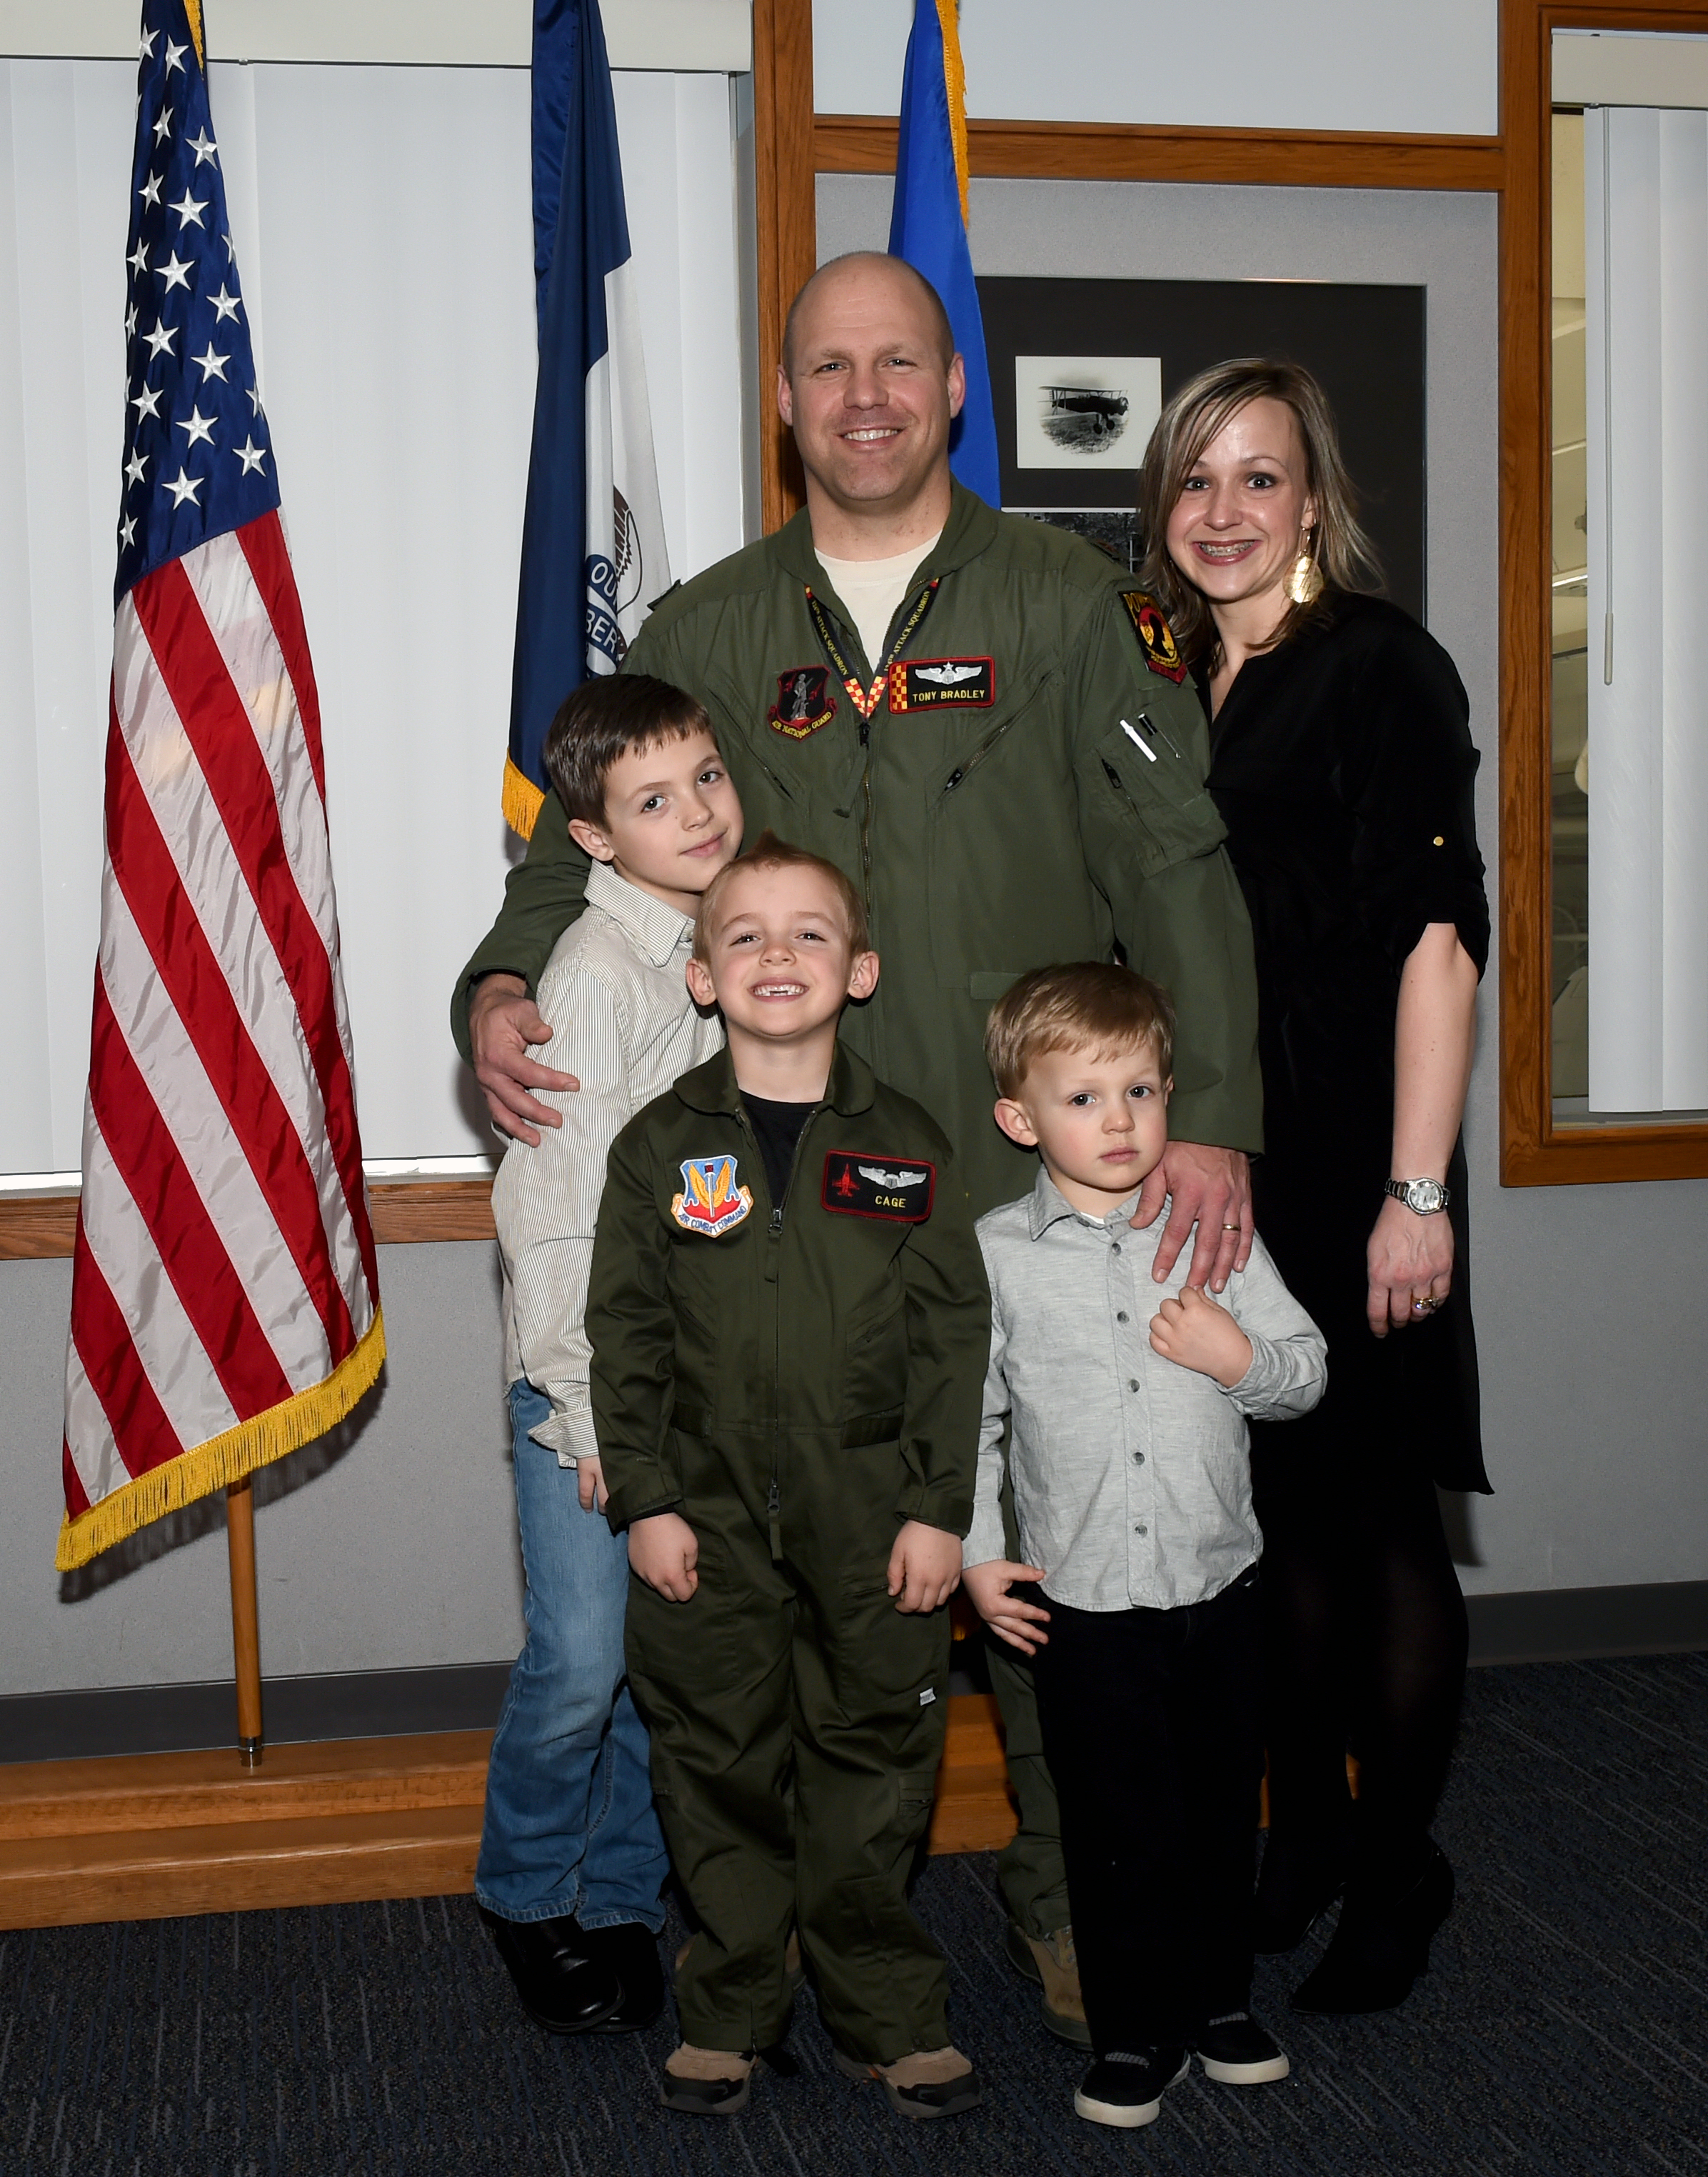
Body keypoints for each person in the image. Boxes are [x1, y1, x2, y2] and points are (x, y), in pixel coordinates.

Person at [456, 250, 1266, 2032]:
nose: (866, 397)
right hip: (778, 1212)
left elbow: (1174, 867)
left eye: (899, 363)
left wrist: (1206, 1127)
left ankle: (1082, 1916)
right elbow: (574, 830)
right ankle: (760, 1931)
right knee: (777, 1583)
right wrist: (504, 984)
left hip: (1026, 1190)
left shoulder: (1067, 600)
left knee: (1057, 1574)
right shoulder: (709, 626)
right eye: (829, 367)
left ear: (953, 385)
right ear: (785, 396)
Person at [1139, 358, 1492, 2013]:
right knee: (1261, 1535)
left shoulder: (1378, 668)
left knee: (1371, 1534)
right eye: (1195, 480)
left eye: (1257, 478)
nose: (1222, 511)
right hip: (1216, 1167)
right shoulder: (1162, 685)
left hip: (1361, 1158)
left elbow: (1438, 943)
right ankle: (1305, 1836)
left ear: (1311, 501)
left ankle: (1395, 1872)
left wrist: (1414, 1193)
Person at [586, 836, 990, 2121]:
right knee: (714, 1756)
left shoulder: (911, 1145)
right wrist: (647, 1498)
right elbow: (627, 1335)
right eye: (744, 934)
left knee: (876, 1753)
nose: (777, 955)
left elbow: (949, 1343)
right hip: (701, 1515)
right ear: (702, 977)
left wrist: (939, 1511)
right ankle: (734, 2000)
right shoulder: (659, 1148)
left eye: (810, 933)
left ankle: (884, 2004)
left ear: (859, 971)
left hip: (873, 1516)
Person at [963, 963, 1327, 2129]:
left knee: (1223, 1807)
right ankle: (1133, 2031)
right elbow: (966, 1425)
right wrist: (978, 1556)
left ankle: (1219, 2004)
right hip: (1086, 1607)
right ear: (1021, 1117)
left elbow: (1304, 1374)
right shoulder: (998, 1254)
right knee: (1116, 1826)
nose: (1118, 1122)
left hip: (1219, 1588)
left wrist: (1239, 1360)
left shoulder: (1214, 1236)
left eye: (1140, 1090)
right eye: (1083, 1098)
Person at [476, 676, 743, 2036]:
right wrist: (592, 1423)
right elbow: (555, 1218)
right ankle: (527, 1899)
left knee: (660, 1658)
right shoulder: (594, 971)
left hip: (693, 1385)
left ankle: (622, 1899)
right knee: (580, 1663)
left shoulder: (725, 945)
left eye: (706, 778)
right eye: (653, 799)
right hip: (588, 1391)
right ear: (593, 834)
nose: (695, 811)